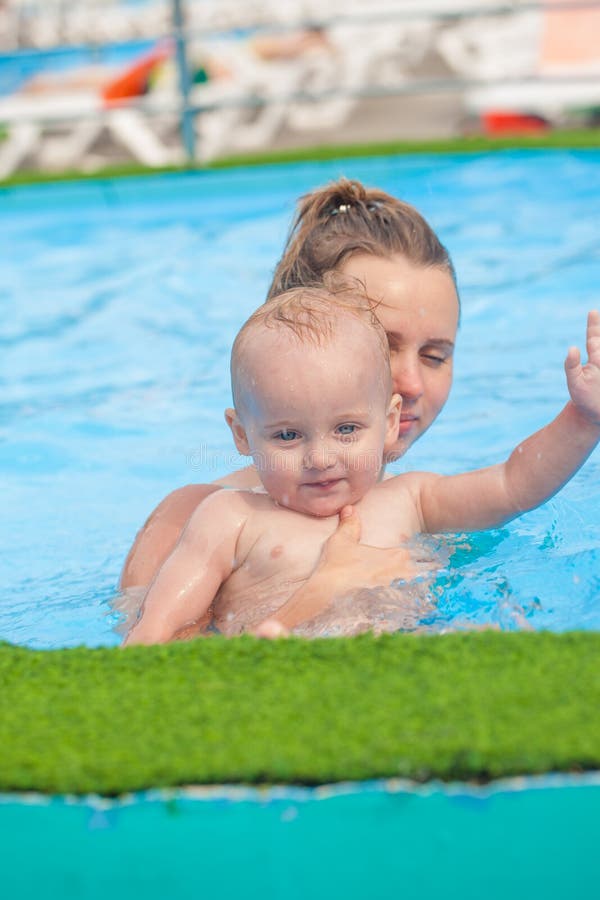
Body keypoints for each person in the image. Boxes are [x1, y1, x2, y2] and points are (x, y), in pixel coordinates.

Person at [124, 286, 600, 645]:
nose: (320, 458)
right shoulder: (229, 518)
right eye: (288, 435)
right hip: (277, 667)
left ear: (390, 422)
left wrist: (581, 419)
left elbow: (512, 485)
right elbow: (158, 631)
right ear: (242, 435)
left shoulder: (410, 500)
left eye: (347, 430)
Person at [119, 179, 459, 609]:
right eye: (384, 345)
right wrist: (315, 594)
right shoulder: (193, 520)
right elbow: (139, 667)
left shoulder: (428, 512)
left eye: (434, 356)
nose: (411, 383)